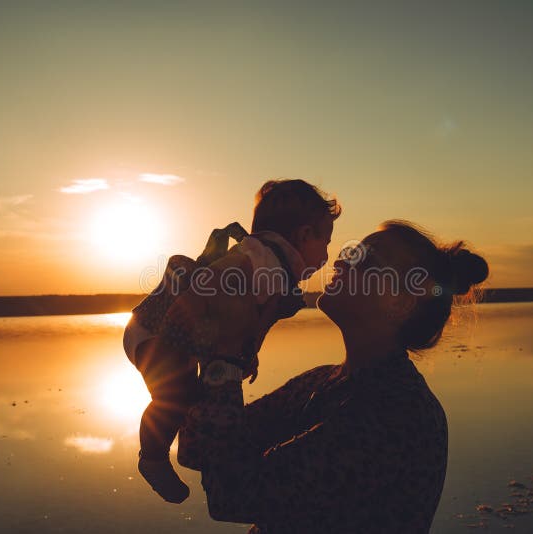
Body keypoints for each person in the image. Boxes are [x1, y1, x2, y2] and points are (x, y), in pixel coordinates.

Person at [177, 220, 489, 533]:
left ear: (401, 303)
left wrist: (226, 359)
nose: (341, 260)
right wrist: (207, 340)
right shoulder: (322, 380)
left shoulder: (401, 415)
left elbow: (234, 495)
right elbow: (197, 448)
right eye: (349, 250)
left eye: (363, 258)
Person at [122, 179, 341, 503]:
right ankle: (152, 458)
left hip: (180, 339)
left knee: (192, 395)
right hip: (154, 331)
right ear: (304, 235)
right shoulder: (261, 257)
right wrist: (191, 304)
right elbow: (215, 276)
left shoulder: (277, 272)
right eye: (326, 242)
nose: (326, 255)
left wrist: (247, 354)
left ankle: (196, 450)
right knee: (175, 395)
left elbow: (254, 321)